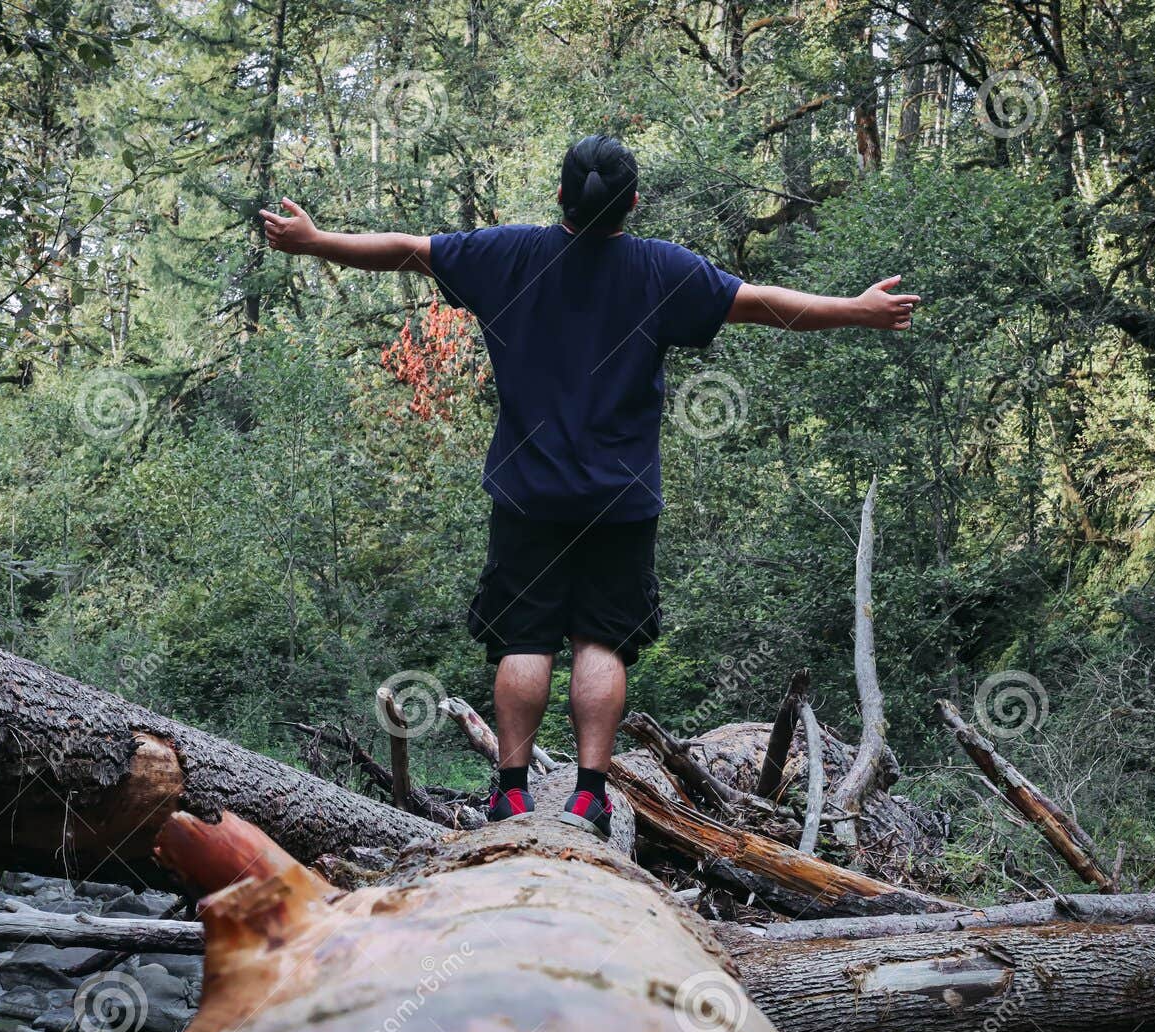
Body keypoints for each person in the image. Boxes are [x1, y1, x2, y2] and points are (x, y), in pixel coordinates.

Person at [261, 134, 918, 840]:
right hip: (619, 500)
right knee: (600, 642)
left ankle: (510, 793)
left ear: (560, 199)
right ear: (631, 204)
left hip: (527, 494)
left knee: (524, 638)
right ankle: (588, 796)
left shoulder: (505, 254)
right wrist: (856, 308)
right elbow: (761, 303)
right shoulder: (661, 270)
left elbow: (405, 248)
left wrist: (315, 240)